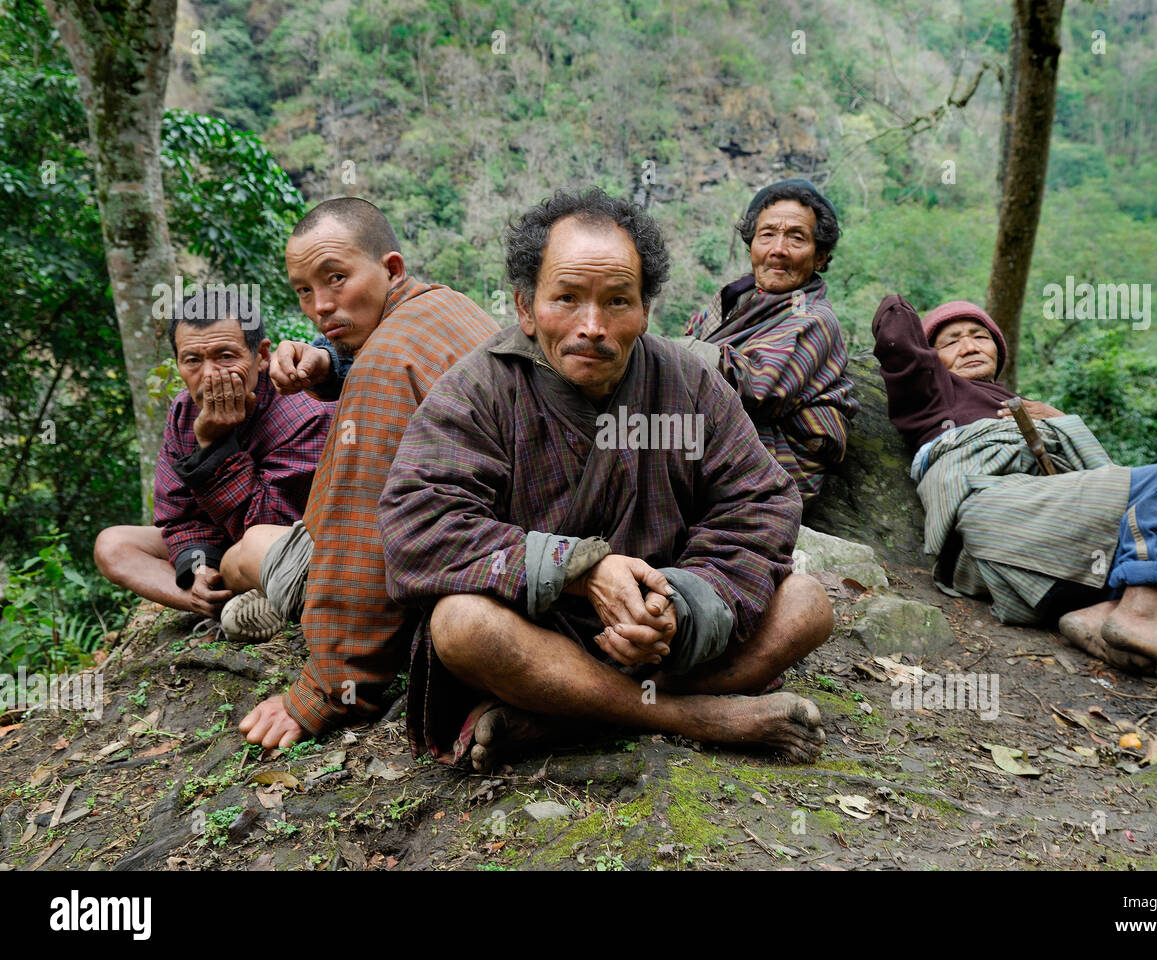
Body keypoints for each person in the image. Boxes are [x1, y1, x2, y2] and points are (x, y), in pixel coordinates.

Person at [379, 188, 832, 771]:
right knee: (461, 625)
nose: (592, 326)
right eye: (566, 298)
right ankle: (695, 716)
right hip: (538, 633)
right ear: (524, 306)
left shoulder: (688, 384)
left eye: (618, 302)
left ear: (645, 310)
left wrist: (682, 606)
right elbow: (418, 527)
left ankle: (557, 716)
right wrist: (578, 569)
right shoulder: (479, 391)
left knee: (807, 602)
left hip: (663, 636)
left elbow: (761, 502)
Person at [872, 295, 1157, 687]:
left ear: (998, 351)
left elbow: (1103, 490)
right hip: (999, 522)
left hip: (1058, 565)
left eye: (980, 337)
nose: (969, 346)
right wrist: (898, 306)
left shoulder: (1025, 405)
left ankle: (1100, 615)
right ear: (932, 360)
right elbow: (898, 340)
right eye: (951, 341)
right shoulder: (934, 393)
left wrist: (1061, 423)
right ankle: (1138, 614)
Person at [236, 198, 499, 748]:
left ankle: (265, 597)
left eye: (336, 278)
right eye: (304, 290)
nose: (320, 306)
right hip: (493, 541)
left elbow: (358, 531)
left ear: (392, 269)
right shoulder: (447, 305)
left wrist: (328, 689)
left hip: (440, 570)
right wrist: (329, 364)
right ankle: (269, 596)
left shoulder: (383, 366)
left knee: (246, 551)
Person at [94, 290, 330, 622]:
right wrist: (196, 564)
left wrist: (213, 447)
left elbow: (271, 528)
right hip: (224, 542)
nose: (209, 374)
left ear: (261, 356)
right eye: (192, 360)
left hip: (280, 545)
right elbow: (177, 517)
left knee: (250, 548)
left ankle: (256, 599)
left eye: (225, 356)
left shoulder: (303, 410)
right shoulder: (183, 411)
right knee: (113, 545)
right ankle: (206, 599)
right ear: (178, 363)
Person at [679, 178, 858, 501]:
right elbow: (687, 349)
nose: (778, 249)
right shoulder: (734, 300)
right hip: (719, 438)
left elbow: (759, 389)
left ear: (820, 257)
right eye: (767, 235)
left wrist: (667, 351)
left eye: (796, 238)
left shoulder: (814, 317)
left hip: (777, 464)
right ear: (751, 245)